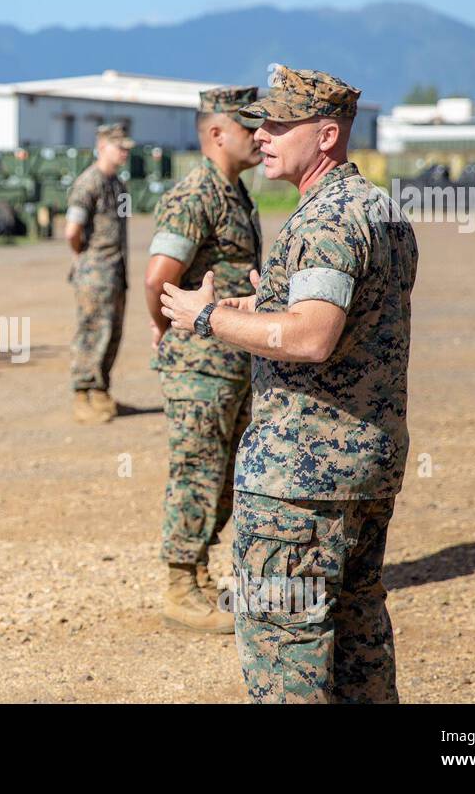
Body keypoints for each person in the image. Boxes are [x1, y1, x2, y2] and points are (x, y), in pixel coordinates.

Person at [160, 66, 418, 703]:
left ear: (326, 135)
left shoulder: (324, 221)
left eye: (279, 124)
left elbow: (311, 336)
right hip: (363, 464)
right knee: (358, 643)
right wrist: (256, 310)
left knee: (287, 655)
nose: (263, 135)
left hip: (301, 479)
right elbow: (344, 319)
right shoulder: (378, 209)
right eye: (260, 124)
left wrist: (209, 317)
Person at [145, 86, 263, 634]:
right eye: (249, 127)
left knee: (225, 476)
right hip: (200, 365)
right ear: (217, 133)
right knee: (197, 470)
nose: (261, 136)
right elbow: (158, 275)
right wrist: (164, 321)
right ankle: (178, 584)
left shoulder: (234, 192)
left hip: (231, 360)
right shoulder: (196, 193)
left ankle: (197, 569)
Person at [64, 123, 132, 424]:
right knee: (92, 331)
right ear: (102, 146)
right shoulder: (88, 183)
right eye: (120, 147)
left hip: (116, 270)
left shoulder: (118, 185)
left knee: (112, 331)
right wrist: (84, 258)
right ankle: (82, 394)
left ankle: (101, 389)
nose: (125, 152)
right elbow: (72, 231)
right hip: (95, 271)